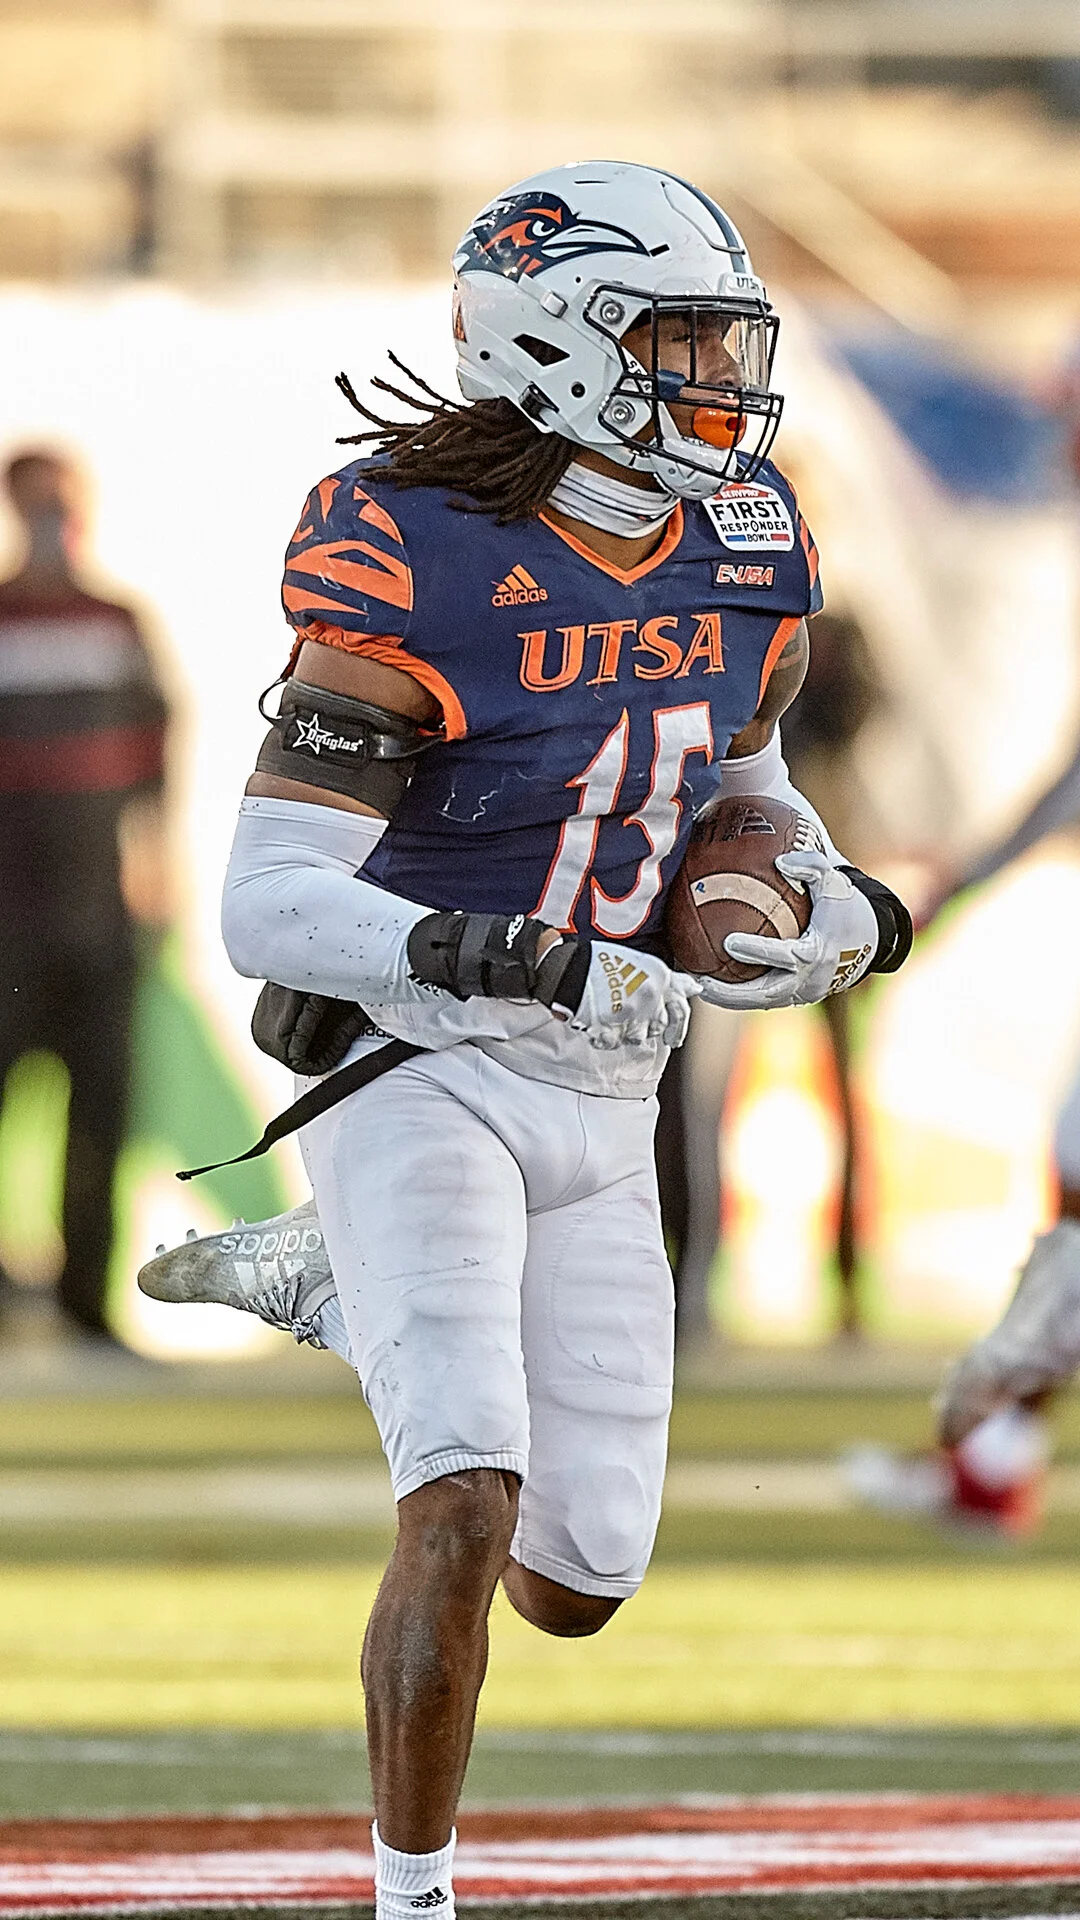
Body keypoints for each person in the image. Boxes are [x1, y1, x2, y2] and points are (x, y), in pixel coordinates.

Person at [139, 163, 910, 1919]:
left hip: (612, 1082)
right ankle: (415, 1898)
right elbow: (268, 898)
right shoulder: (411, 542)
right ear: (555, 343)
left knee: (577, 1577)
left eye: (727, 342)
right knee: (465, 1497)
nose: (720, 380)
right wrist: (496, 951)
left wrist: (824, 899)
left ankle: (335, 1290)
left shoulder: (746, 535)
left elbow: (743, 783)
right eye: (681, 342)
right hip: (419, 1057)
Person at [0, 449, 170, 1345]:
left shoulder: (115, 622)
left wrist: (159, 872)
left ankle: (85, 1307)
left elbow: (154, 755)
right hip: (7, 911)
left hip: (97, 909)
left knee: (102, 1106)